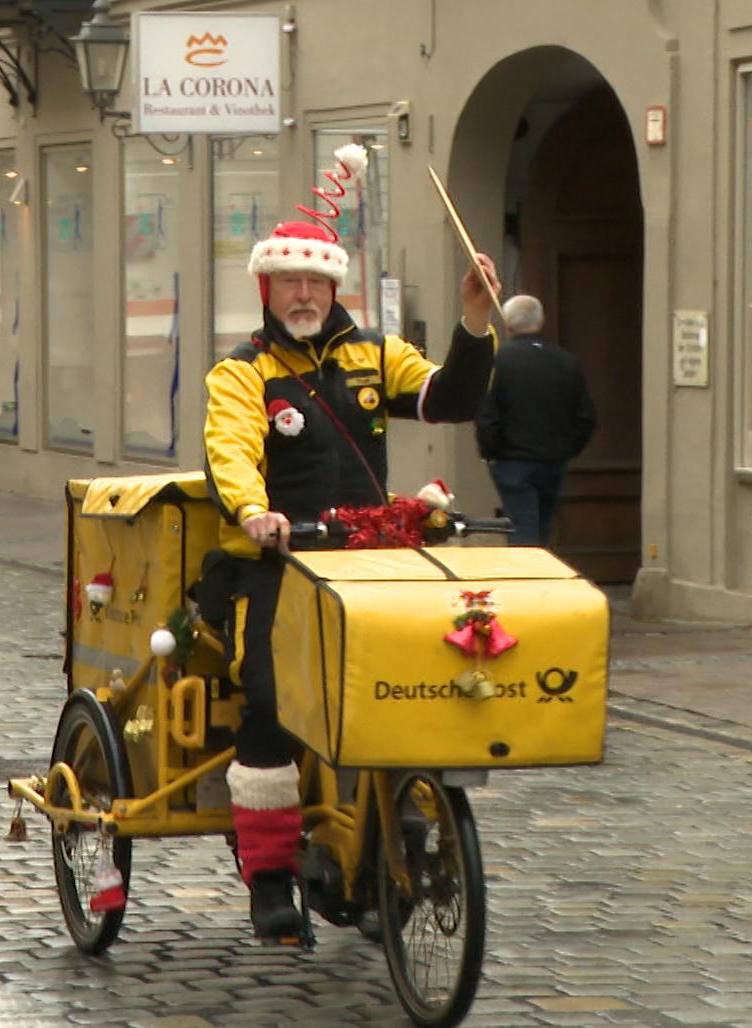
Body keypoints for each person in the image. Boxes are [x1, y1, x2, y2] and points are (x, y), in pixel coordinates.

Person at [202, 197, 500, 939]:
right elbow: (231, 451)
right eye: (288, 282)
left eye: (316, 282)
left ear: (336, 289)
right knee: (269, 696)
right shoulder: (243, 373)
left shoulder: (375, 353)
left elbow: (451, 398)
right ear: (265, 290)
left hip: (371, 559)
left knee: (410, 682)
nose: (303, 294)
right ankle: (270, 876)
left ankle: (394, 833)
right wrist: (253, 512)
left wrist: (474, 324)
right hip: (282, 560)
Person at [474, 294, 596, 547]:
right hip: (554, 461)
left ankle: (527, 582)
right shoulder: (566, 362)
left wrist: (491, 452)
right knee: (543, 528)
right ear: (540, 322)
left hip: (513, 460)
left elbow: (487, 415)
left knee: (522, 533)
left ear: (507, 325)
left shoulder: (498, 362)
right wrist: (567, 449)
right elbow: (586, 417)